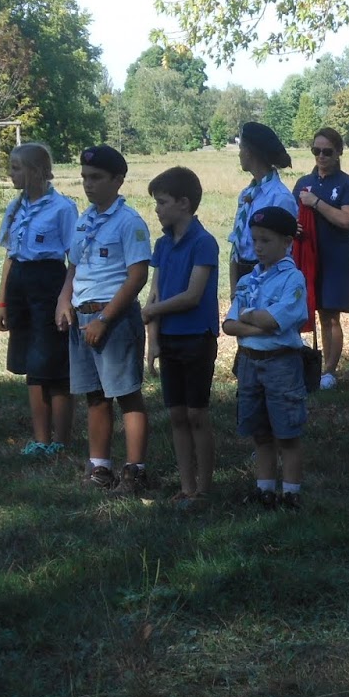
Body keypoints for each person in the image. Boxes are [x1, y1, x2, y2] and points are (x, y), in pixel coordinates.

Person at [57, 144, 155, 495]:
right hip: (82, 317)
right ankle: (100, 466)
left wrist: (105, 319)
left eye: (96, 178)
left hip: (113, 318)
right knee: (95, 396)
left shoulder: (129, 223)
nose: (88, 184)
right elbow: (74, 266)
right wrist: (64, 299)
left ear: (118, 179)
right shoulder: (84, 219)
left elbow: (137, 276)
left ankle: (135, 469)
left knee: (126, 393)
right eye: (84, 177)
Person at [223, 205, 310, 509]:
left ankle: (291, 492)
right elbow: (229, 325)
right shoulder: (248, 280)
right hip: (249, 362)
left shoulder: (293, 279)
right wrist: (256, 323)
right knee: (260, 431)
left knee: (286, 431)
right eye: (255, 239)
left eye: (266, 240)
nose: (257, 247)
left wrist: (250, 319)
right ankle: (265, 490)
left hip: (281, 363)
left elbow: (278, 320)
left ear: (287, 241)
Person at [143, 166, 220, 507]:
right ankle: (185, 486)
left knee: (196, 414)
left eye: (162, 202)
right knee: (176, 414)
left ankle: (204, 488)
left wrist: (152, 313)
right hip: (169, 339)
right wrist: (153, 341)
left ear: (184, 204)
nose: (157, 209)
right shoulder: (161, 245)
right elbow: (154, 294)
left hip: (196, 338)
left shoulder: (204, 243)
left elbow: (192, 295)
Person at [0, 142, 78, 453]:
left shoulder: (63, 208)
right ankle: (40, 439)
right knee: (32, 363)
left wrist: (65, 299)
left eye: (16, 168)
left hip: (49, 285)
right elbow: (10, 256)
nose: (11, 174)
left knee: (54, 365)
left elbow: (75, 258)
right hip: (21, 285)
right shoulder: (15, 207)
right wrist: (2, 301)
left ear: (36, 171)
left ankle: (61, 440)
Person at [294, 126, 349, 389]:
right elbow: (292, 214)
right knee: (311, 310)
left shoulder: (347, 183)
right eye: (316, 150)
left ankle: (329, 371)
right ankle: (310, 365)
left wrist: (316, 203)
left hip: (337, 257)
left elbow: (346, 220)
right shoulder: (302, 182)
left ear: (339, 152)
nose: (321, 156)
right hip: (307, 256)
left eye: (327, 151)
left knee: (331, 314)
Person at [227, 121, 296, 292]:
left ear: (250, 152)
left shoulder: (280, 198)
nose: (239, 154)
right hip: (241, 276)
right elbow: (237, 245)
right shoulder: (246, 194)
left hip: (266, 280)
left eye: (241, 148)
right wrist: (233, 289)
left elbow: (283, 252)